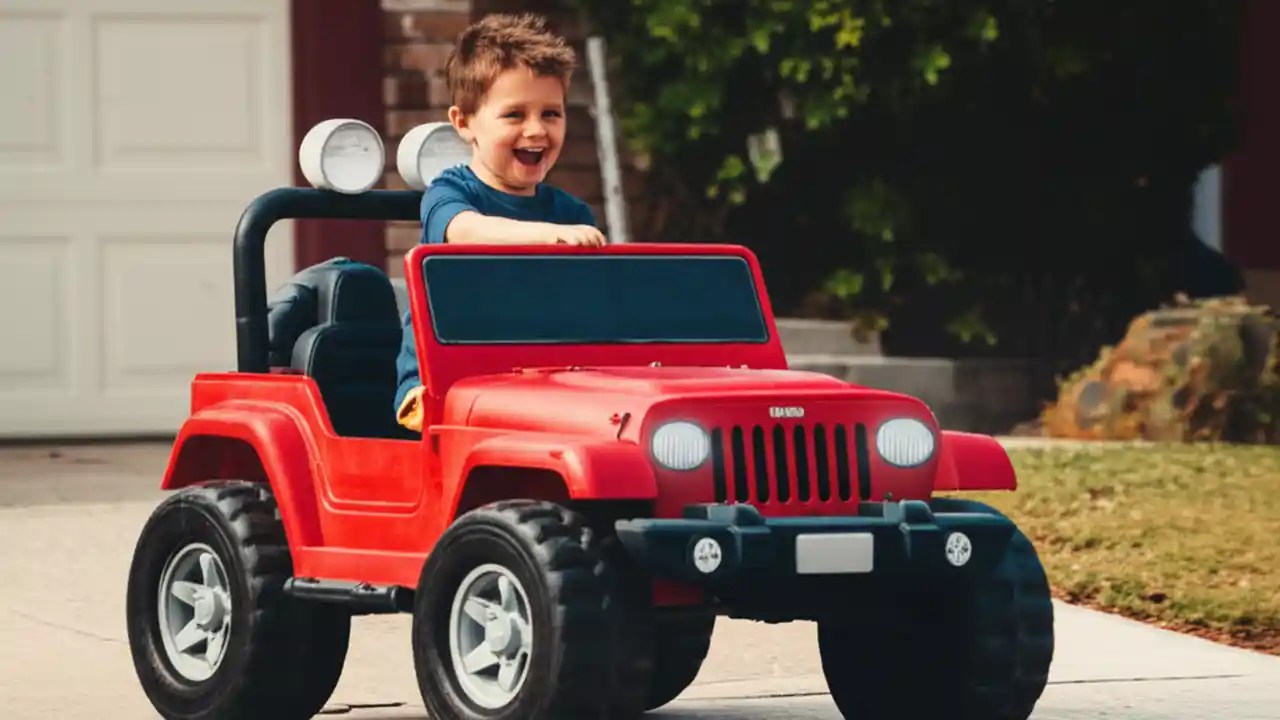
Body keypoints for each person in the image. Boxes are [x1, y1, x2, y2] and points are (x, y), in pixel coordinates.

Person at [394, 12, 606, 432]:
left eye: (551, 114)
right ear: (464, 123)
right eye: (514, 115)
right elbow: (465, 230)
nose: (536, 130)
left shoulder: (571, 214)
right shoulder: (451, 193)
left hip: (539, 379)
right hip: (441, 385)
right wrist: (549, 237)